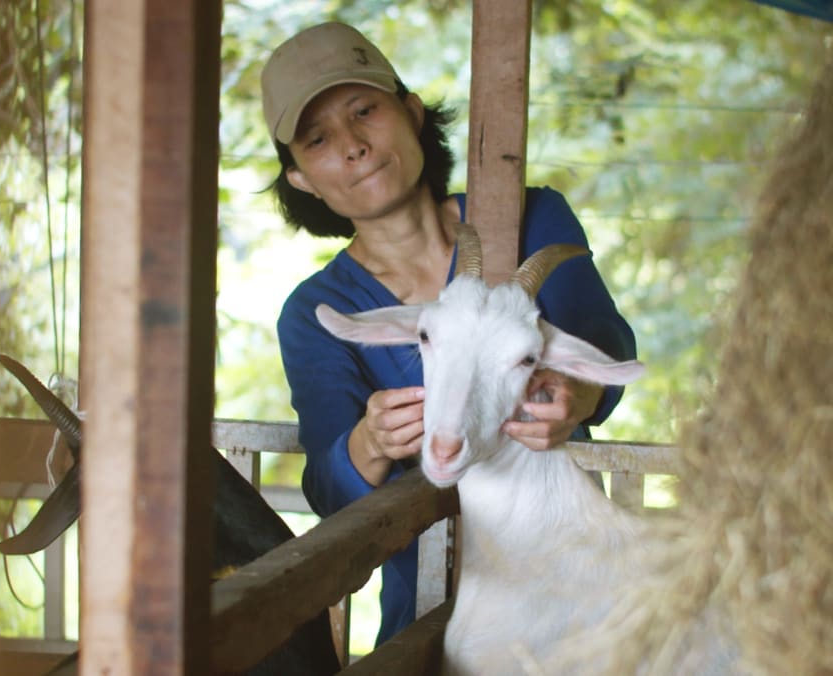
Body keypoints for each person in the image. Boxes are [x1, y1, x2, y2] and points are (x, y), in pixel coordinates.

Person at [261, 22, 637, 646]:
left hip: (575, 597)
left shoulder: (530, 217)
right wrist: (371, 442)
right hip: (429, 606)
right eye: (318, 139)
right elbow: (327, 489)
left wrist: (578, 392)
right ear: (300, 176)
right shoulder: (317, 311)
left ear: (411, 114)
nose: (353, 145)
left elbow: (603, 340)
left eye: (365, 111)